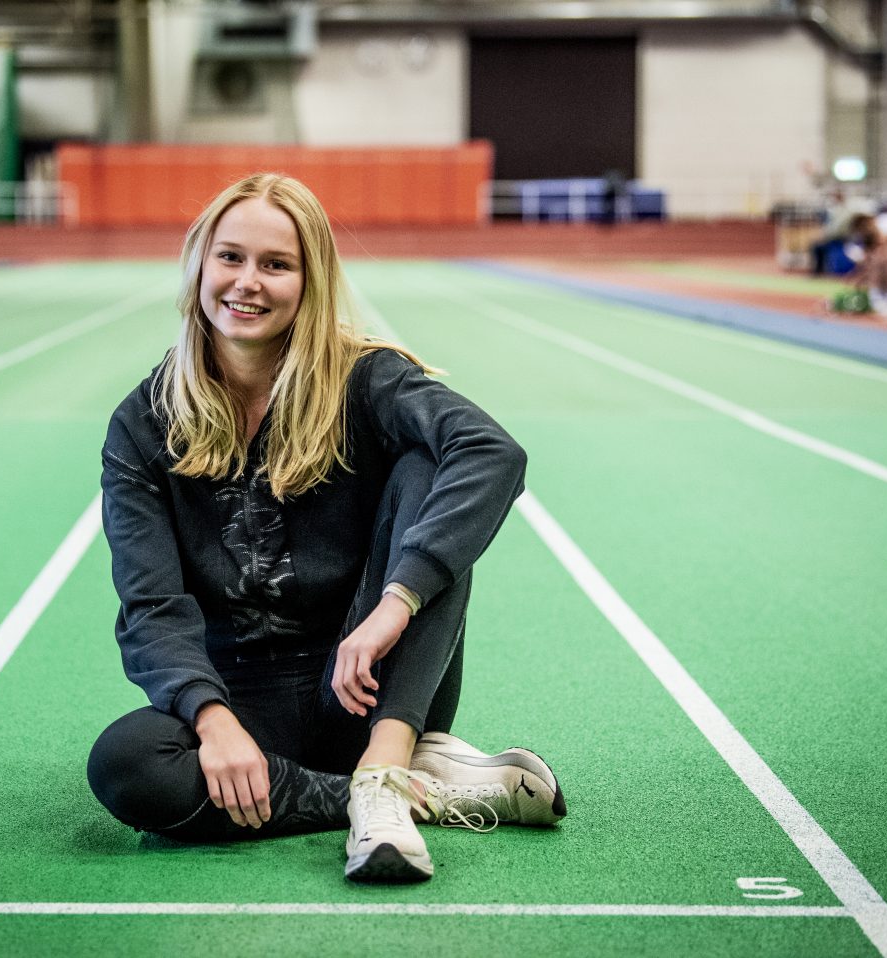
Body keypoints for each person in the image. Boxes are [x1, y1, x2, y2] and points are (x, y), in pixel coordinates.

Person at [86, 173, 565, 884]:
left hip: (370, 688)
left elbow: (492, 452)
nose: (248, 282)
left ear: (309, 282)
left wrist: (395, 603)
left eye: (276, 265)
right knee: (125, 765)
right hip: (243, 710)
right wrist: (212, 721)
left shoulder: (366, 380)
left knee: (430, 469)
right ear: (198, 266)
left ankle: (385, 763)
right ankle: (393, 791)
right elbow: (152, 606)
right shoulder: (144, 423)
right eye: (231, 257)